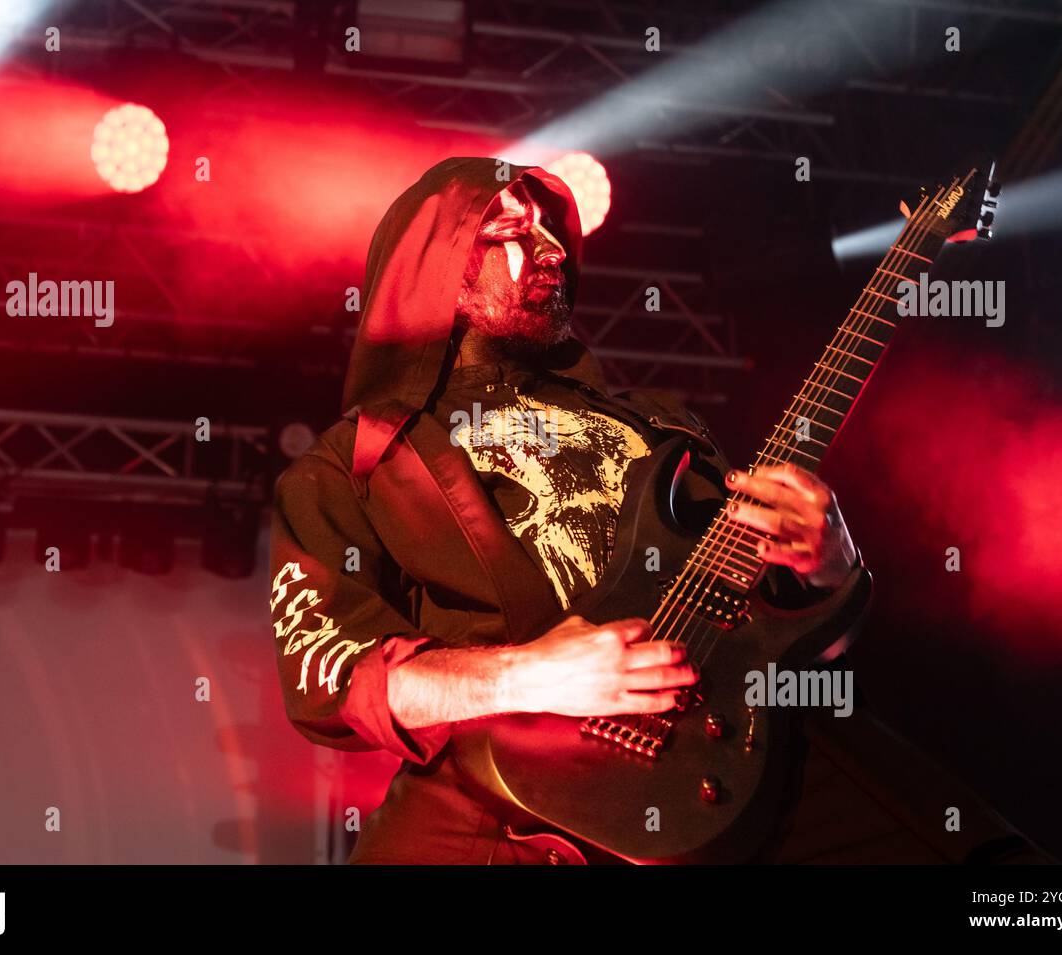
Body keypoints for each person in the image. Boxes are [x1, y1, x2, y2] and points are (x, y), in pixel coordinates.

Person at [270, 157, 864, 864]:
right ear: (437, 264)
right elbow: (332, 678)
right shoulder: (355, 463)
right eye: (512, 229)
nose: (551, 247)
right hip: (493, 829)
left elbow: (759, 621)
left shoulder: (661, 428)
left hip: (719, 801)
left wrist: (828, 564)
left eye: (554, 228)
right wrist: (535, 675)